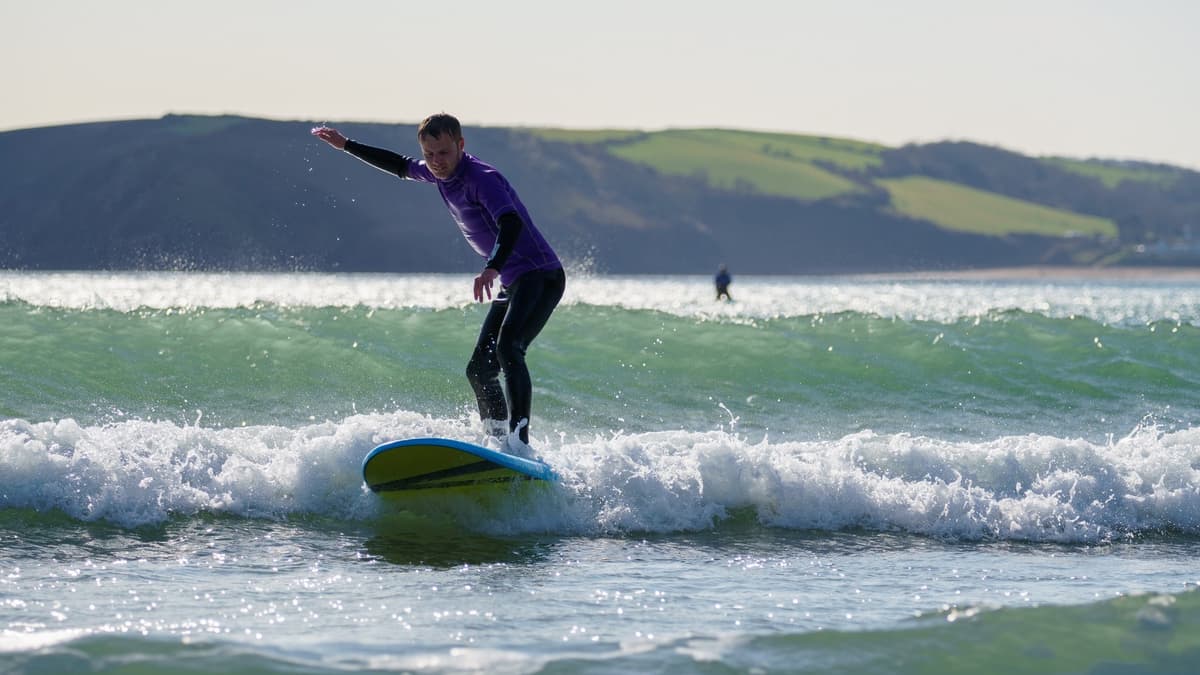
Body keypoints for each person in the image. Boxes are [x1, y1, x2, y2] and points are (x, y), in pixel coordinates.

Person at [311, 114, 565, 456]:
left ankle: (520, 445)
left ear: (460, 145)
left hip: (540, 275)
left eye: (443, 153)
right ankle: (497, 444)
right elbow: (399, 165)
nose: (436, 162)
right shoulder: (436, 172)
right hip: (512, 280)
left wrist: (492, 267)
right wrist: (346, 146)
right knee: (479, 369)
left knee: (508, 350)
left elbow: (511, 223)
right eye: (429, 154)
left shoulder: (481, 179)